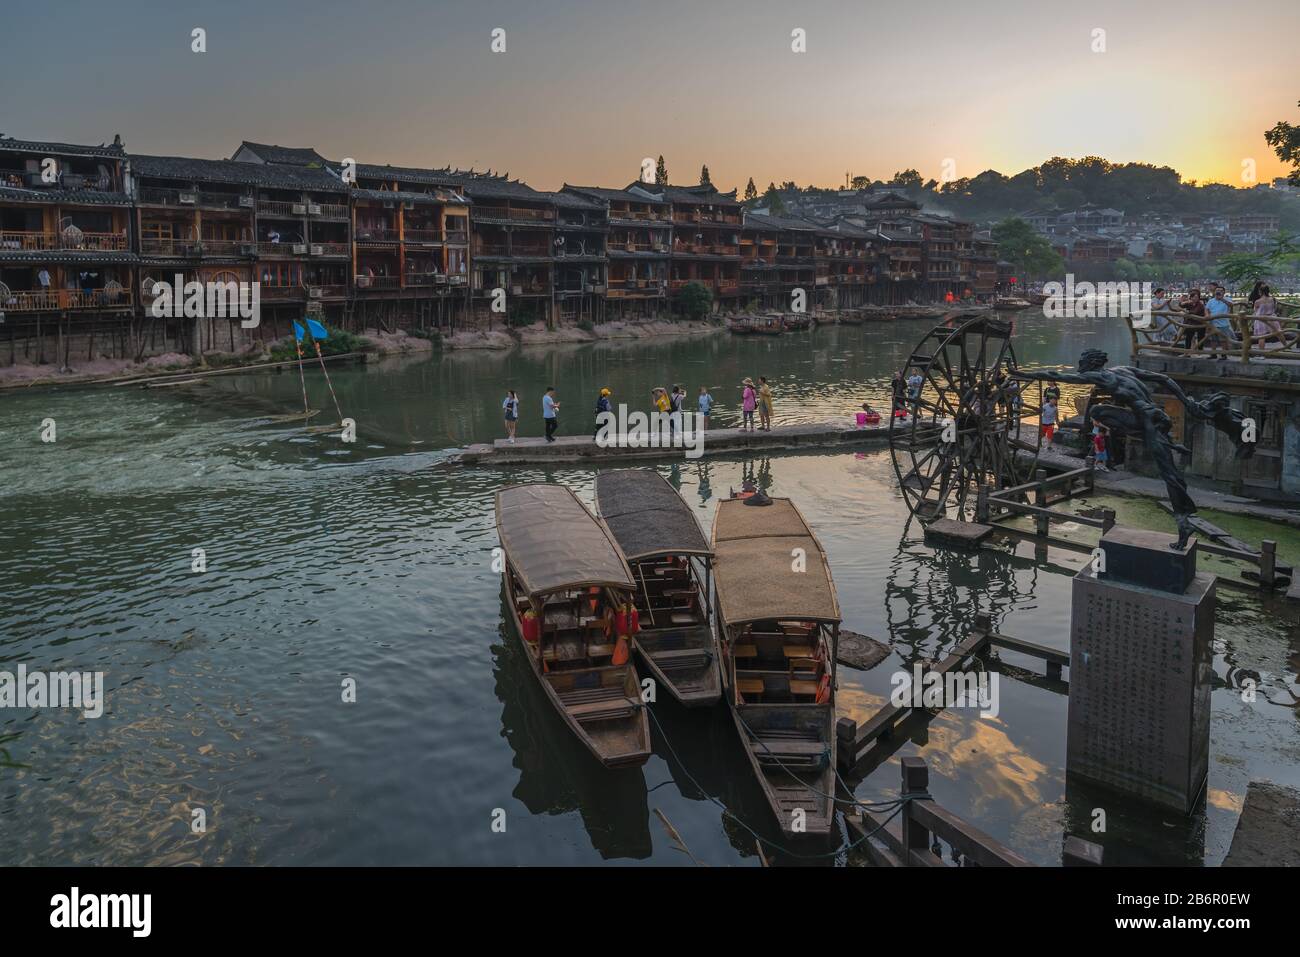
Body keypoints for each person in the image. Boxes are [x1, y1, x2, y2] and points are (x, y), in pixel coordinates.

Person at [1251, 284, 1286, 349]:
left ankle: (1262, 354)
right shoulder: (1272, 299)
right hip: (1272, 317)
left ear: (1261, 291)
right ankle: (1287, 347)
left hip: (1261, 319)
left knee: (1261, 337)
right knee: (1279, 333)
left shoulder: (1258, 301)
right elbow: (1274, 308)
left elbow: (1255, 311)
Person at [1204, 286, 1235, 354]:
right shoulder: (1211, 300)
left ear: (1224, 292)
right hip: (1213, 323)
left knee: (1223, 340)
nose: (1218, 292)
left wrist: (1222, 299)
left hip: (1223, 323)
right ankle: (1213, 354)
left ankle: (1224, 354)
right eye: (1217, 290)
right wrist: (1207, 315)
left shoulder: (1228, 299)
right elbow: (1206, 309)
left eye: (1220, 291)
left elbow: (1231, 305)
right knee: (1213, 339)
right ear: (1215, 292)